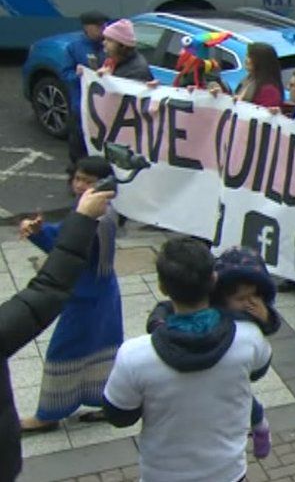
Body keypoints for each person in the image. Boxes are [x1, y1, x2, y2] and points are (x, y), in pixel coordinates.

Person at [102, 238, 273, 482]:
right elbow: (257, 371)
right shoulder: (249, 338)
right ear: (213, 280)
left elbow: (120, 416)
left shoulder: (134, 356)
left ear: (162, 287)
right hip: (228, 473)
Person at [1, 188, 114, 482]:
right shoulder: (92, 221)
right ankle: (55, 412)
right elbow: (47, 290)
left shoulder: (106, 224)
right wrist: (82, 219)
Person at [144, 246, 282, 459]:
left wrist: (266, 318)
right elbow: (164, 308)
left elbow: (268, 334)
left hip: (232, 373)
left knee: (247, 401)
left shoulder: (251, 317)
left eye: (254, 296)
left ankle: (260, 426)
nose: (249, 302)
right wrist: (159, 325)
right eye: (241, 297)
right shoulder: (210, 308)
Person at [18, 157, 122, 432]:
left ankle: (48, 415)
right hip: (102, 294)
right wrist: (41, 232)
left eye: (88, 181)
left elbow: (68, 248)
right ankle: (110, 402)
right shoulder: (98, 211)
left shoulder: (97, 220)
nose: (80, 186)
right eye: (78, 178)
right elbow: (68, 233)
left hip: (85, 298)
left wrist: (38, 235)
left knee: (62, 352)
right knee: (105, 350)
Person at [66, 11, 108, 162]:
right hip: (81, 108)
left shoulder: (109, 45)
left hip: (103, 108)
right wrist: (76, 75)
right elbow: (66, 74)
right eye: (98, 26)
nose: (102, 29)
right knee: (79, 150)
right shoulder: (74, 48)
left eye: (103, 25)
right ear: (86, 27)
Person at [235, 42, 283, 108]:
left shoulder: (269, 91)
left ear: (261, 61)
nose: (246, 60)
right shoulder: (247, 80)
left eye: (250, 57)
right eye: (247, 56)